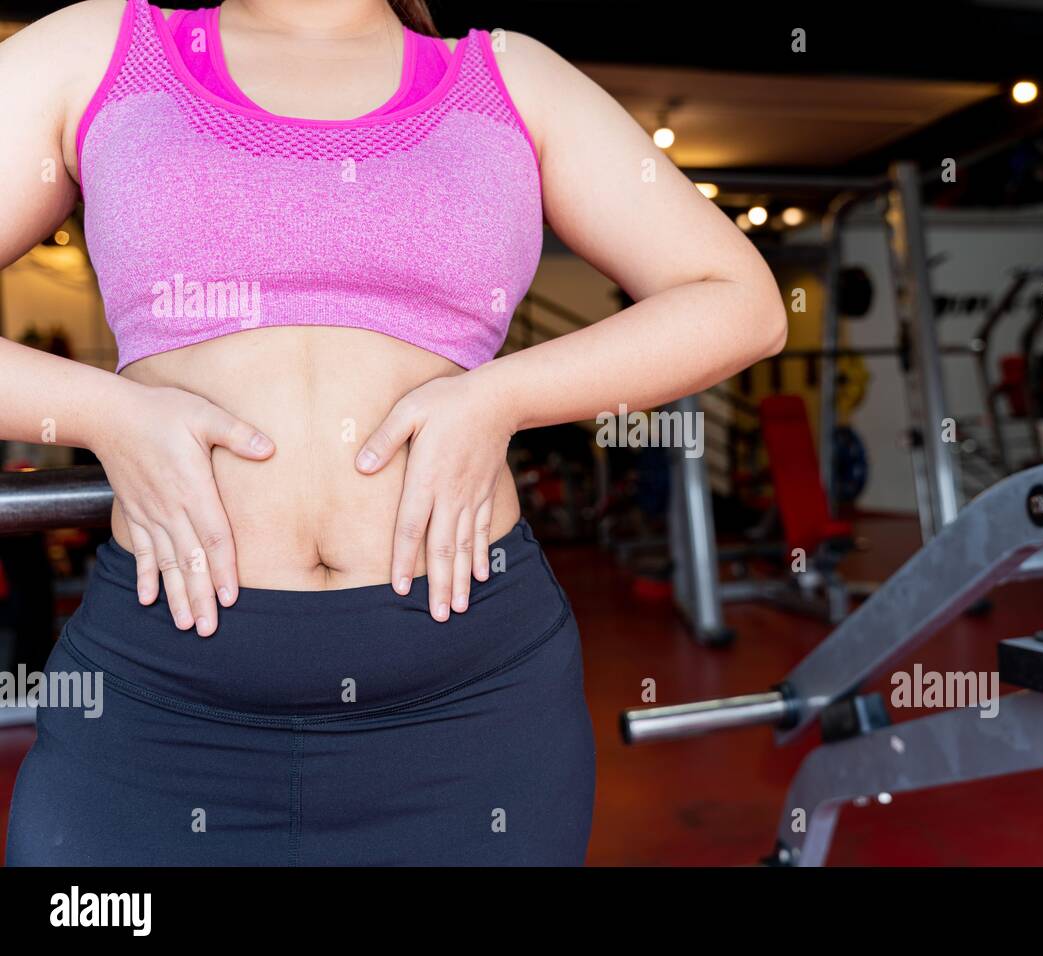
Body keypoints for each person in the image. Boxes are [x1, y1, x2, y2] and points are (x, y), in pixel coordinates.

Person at [0, 0, 786, 865]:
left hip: (467, 702)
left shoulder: (507, 80)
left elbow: (738, 302)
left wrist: (501, 395)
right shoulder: (103, 51)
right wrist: (106, 412)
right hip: (162, 701)